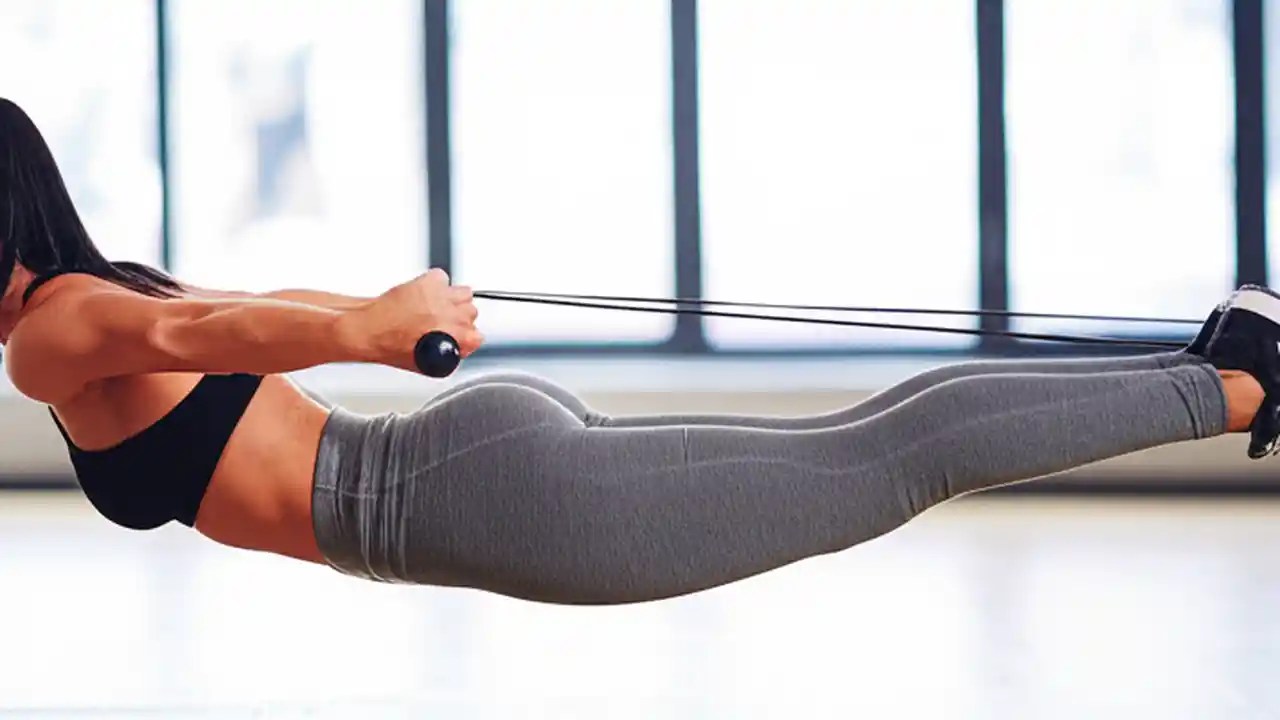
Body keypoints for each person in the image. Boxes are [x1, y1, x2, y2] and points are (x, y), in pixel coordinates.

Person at [1, 97, 1274, 606]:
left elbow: (197, 329)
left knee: (891, 463)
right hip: (465, 463)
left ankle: (1232, 388)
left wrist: (369, 328)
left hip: (474, 497)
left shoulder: (55, 330)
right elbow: (218, 309)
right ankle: (1222, 366)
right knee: (878, 442)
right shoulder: (92, 294)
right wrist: (372, 313)